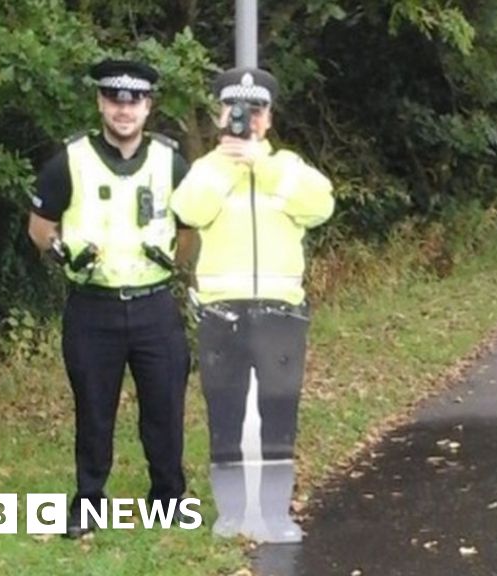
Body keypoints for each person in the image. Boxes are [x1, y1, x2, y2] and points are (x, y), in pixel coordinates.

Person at [27, 59, 193, 537]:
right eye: (115, 100)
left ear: (148, 106)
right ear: (101, 103)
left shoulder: (170, 161)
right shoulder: (70, 160)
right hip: (92, 308)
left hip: (154, 306)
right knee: (94, 411)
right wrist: (65, 257)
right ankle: (89, 504)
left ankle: (168, 499)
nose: (124, 110)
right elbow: (40, 229)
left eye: (134, 101)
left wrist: (172, 265)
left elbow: (190, 228)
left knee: (164, 409)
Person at [170, 67, 334, 543]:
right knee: (225, 410)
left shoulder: (288, 165)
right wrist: (227, 164)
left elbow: (320, 206)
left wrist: (261, 163)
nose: (246, 119)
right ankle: (232, 514)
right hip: (223, 312)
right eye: (236, 109)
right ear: (220, 112)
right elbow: (189, 211)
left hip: (280, 310)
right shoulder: (206, 168)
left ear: (269, 117)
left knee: (279, 411)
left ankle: (276, 514)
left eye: (256, 110)